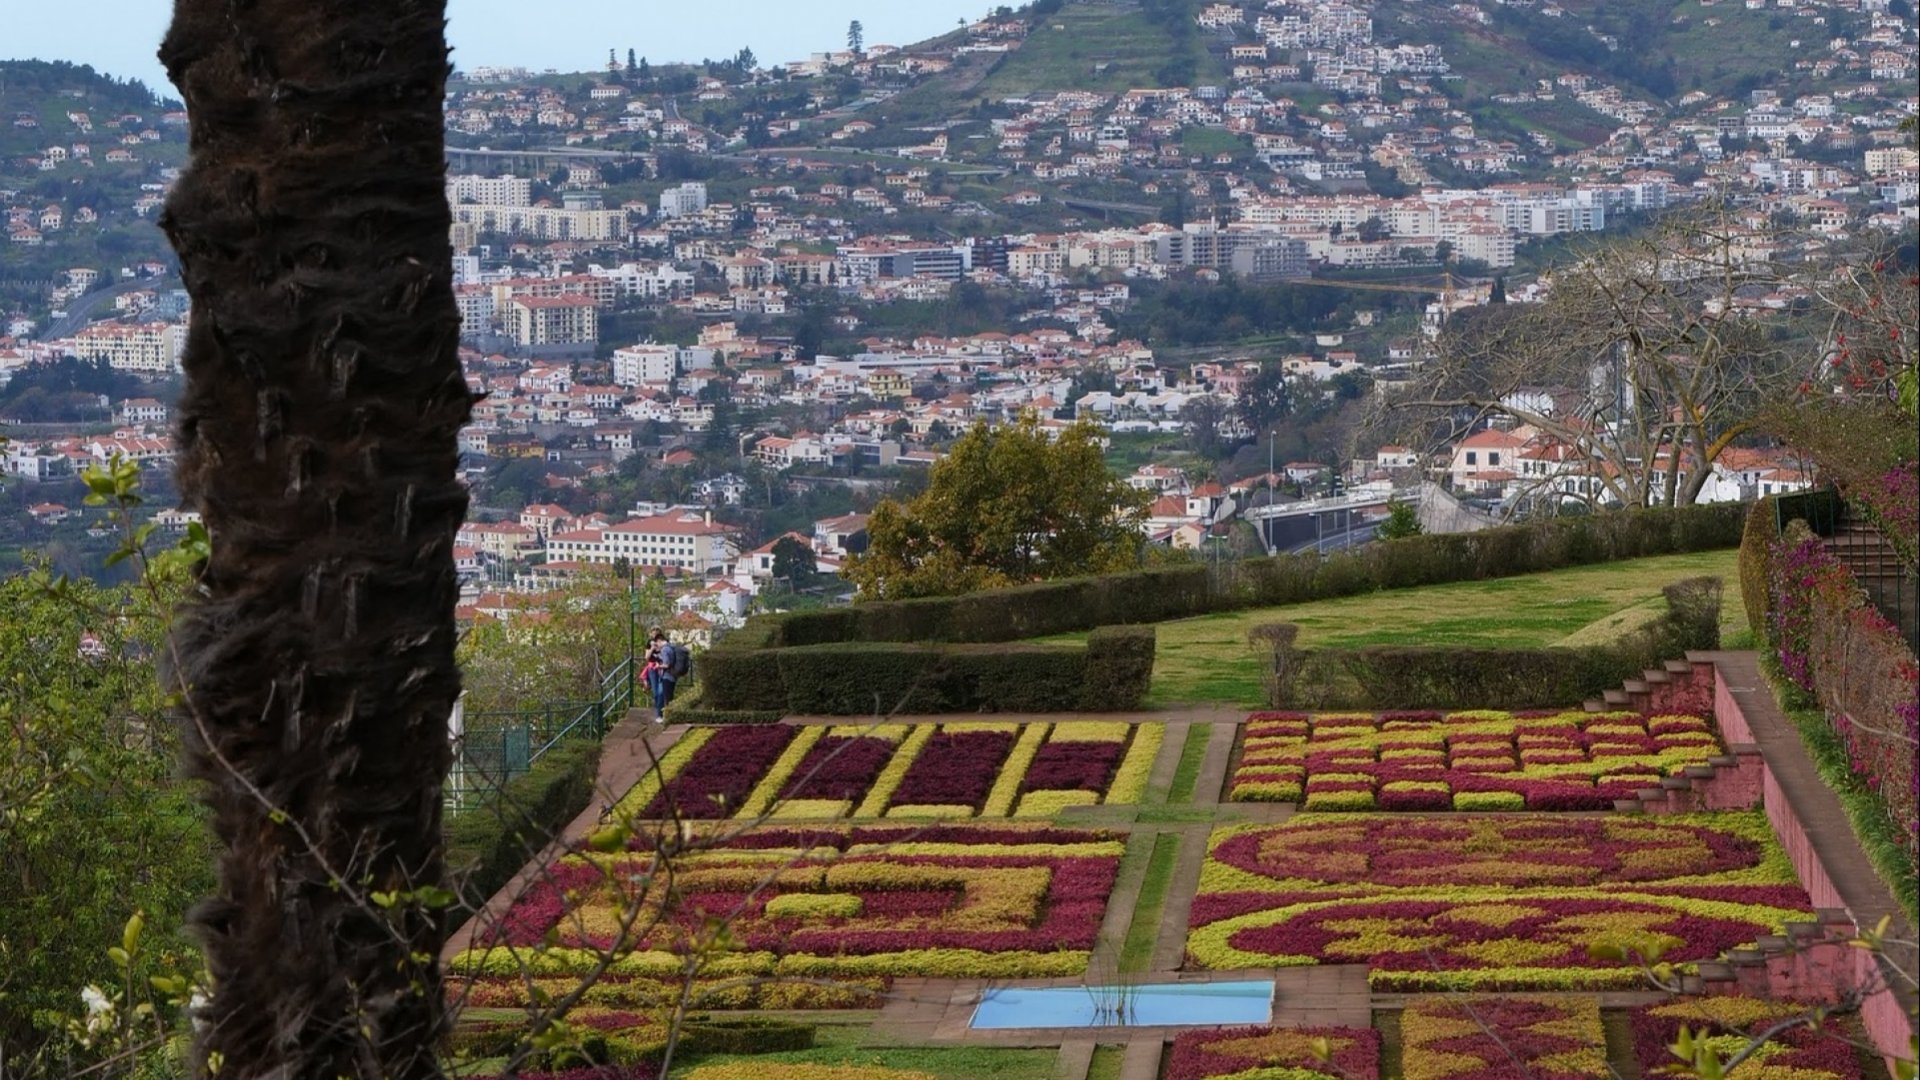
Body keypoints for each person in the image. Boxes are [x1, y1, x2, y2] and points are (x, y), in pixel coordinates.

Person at [640, 628, 668, 722]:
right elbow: (647, 657)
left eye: (657, 632)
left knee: (662, 691)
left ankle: (661, 712)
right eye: (653, 632)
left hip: (662, 667)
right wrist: (652, 648)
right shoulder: (649, 643)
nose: (655, 634)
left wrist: (659, 647)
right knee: (656, 692)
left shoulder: (664, 642)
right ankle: (658, 711)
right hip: (652, 668)